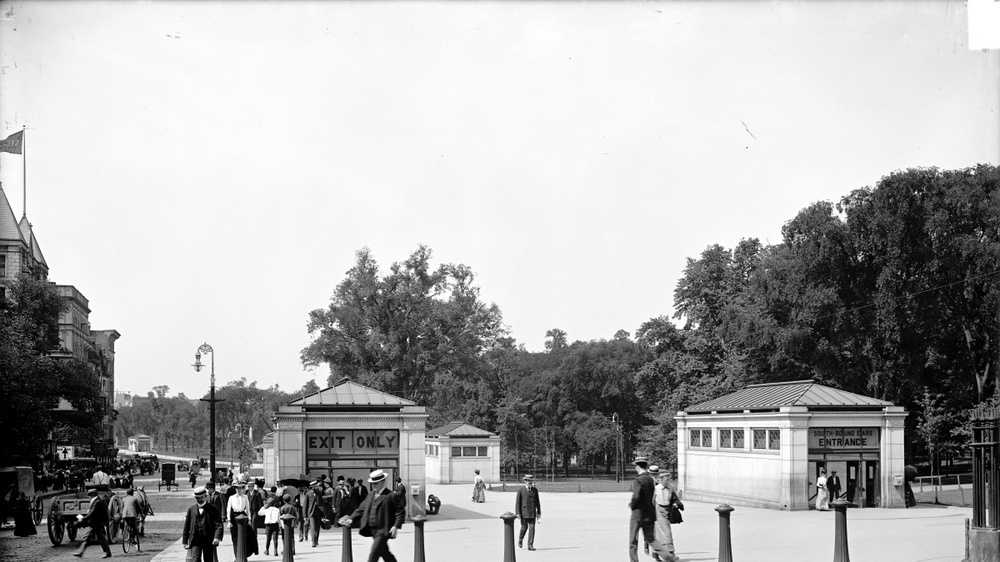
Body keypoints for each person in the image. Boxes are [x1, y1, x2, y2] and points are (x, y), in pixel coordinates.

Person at [337, 469, 405, 562]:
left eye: (376, 483)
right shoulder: (371, 495)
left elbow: (400, 512)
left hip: (383, 530)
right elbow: (361, 509)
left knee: (373, 555)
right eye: (372, 483)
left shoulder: (391, 495)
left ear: (382, 482)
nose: (373, 485)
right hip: (372, 530)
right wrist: (351, 518)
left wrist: (395, 526)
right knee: (385, 554)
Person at [628, 457, 676, 562]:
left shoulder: (638, 480)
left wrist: (632, 504)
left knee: (633, 541)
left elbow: (636, 496)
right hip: (649, 513)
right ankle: (669, 557)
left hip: (638, 513)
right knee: (651, 539)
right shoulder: (650, 479)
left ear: (637, 466)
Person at [183, 486, 223, 562]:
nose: (200, 500)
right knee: (195, 559)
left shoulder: (213, 509)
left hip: (208, 539)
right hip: (195, 540)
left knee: (208, 559)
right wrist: (185, 541)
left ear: (205, 497)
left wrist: (216, 537)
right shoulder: (191, 509)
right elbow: (187, 526)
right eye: (197, 498)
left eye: (201, 497)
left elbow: (218, 525)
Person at [73, 488, 112, 558]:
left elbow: (92, 513)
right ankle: (81, 552)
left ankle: (107, 553)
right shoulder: (96, 501)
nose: (89, 497)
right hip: (95, 523)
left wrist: (83, 519)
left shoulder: (97, 502)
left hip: (98, 523)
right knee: (89, 538)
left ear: (93, 495)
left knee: (100, 538)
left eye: (89, 495)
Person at [650, 466, 679, 561]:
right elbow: (652, 501)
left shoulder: (670, 488)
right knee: (667, 532)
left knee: (660, 534)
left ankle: (655, 553)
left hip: (667, 511)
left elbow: (675, 499)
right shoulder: (656, 489)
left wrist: (676, 504)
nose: (668, 481)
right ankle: (671, 554)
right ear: (661, 479)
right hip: (658, 510)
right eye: (666, 479)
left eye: (669, 479)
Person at [226, 479, 259, 557]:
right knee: (235, 538)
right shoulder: (231, 497)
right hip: (234, 517)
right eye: (237, 488)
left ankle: (246, 553)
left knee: (249, 535)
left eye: (240, 488)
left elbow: (248, 509)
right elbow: (228, 509)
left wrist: (249, 519)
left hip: (243, 516)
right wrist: (229, 521)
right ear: (235, 489)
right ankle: (236, 555)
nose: (239, 490)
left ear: (243, 489)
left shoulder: (245, 497)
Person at [514, 474, 541, 551]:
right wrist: (517, 513)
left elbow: (537, 502)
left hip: (532, 512)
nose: (529, 482)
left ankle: (530, 545)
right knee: (524, 528)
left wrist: (539, 513)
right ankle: (520, 539)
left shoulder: (535, 490)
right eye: (528, 481)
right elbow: (517, 503)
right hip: (524, 513)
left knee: (532, 528)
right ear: (525, 481)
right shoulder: (521, 490)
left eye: (531, 481)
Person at [306, 482, 323, 547]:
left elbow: (321, 503)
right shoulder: (308, 493)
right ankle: (313, 541)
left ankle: (316, 540)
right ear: (312, 486)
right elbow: (305, 504)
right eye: (314, 486)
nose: (316, 487)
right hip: (311, 513)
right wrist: (305, 515)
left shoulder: (319, 492)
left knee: (317, 527)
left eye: (316, 485)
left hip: (318, 512)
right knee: (313, 527)